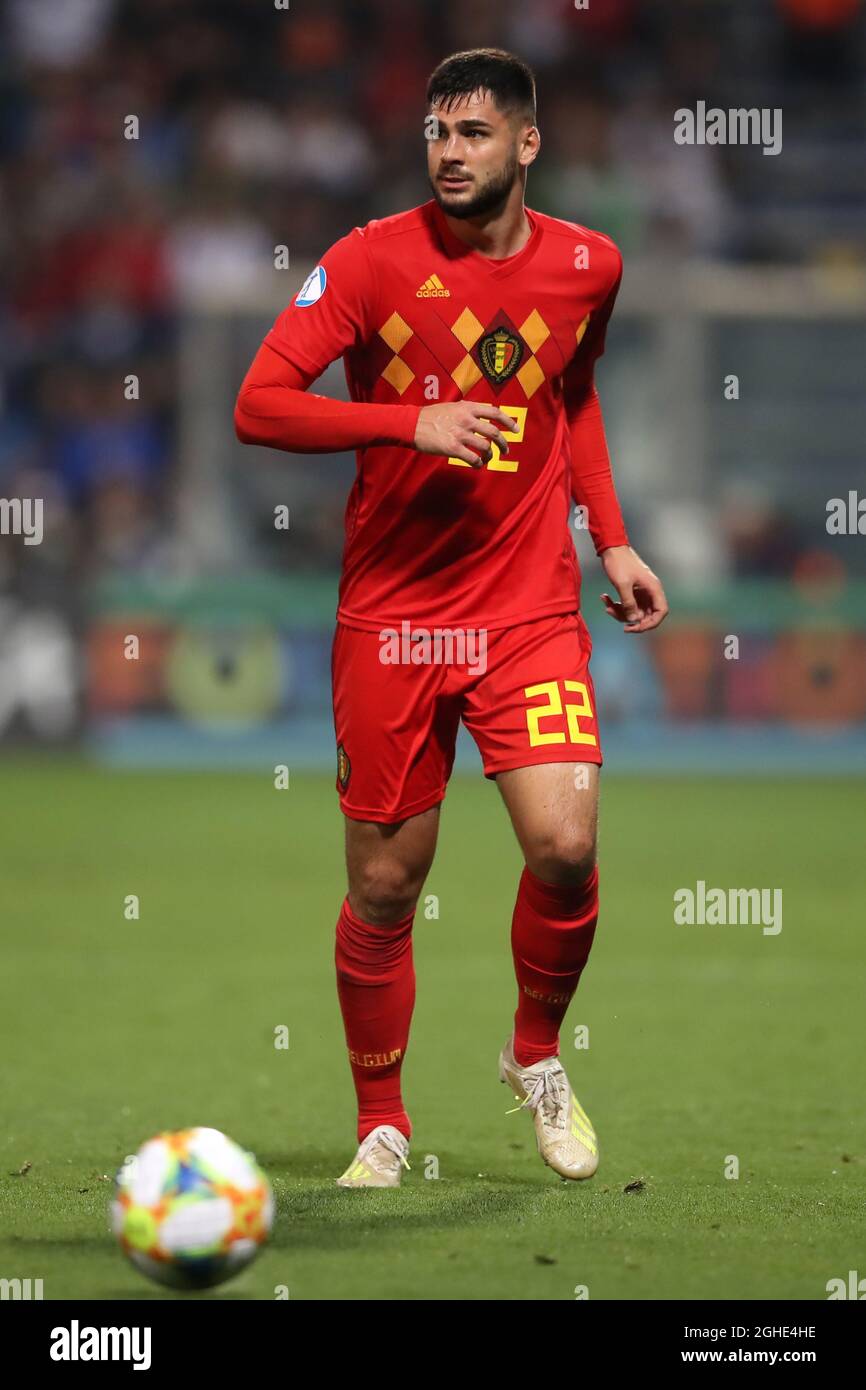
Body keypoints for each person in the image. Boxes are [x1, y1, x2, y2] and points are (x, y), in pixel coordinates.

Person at [235, 47, 668, 1187]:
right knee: (385, 883)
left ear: (525, 144)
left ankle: (533, 1054)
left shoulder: (589, 265)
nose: (448, 152)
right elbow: (258, 404)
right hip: (392, 615)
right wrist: (401, 424)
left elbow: (569, 392)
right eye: (435, 132)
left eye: (472, 133)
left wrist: (609, 534)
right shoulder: (369, 260)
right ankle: (381, 1118)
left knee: (565, 848)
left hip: (525, 607)